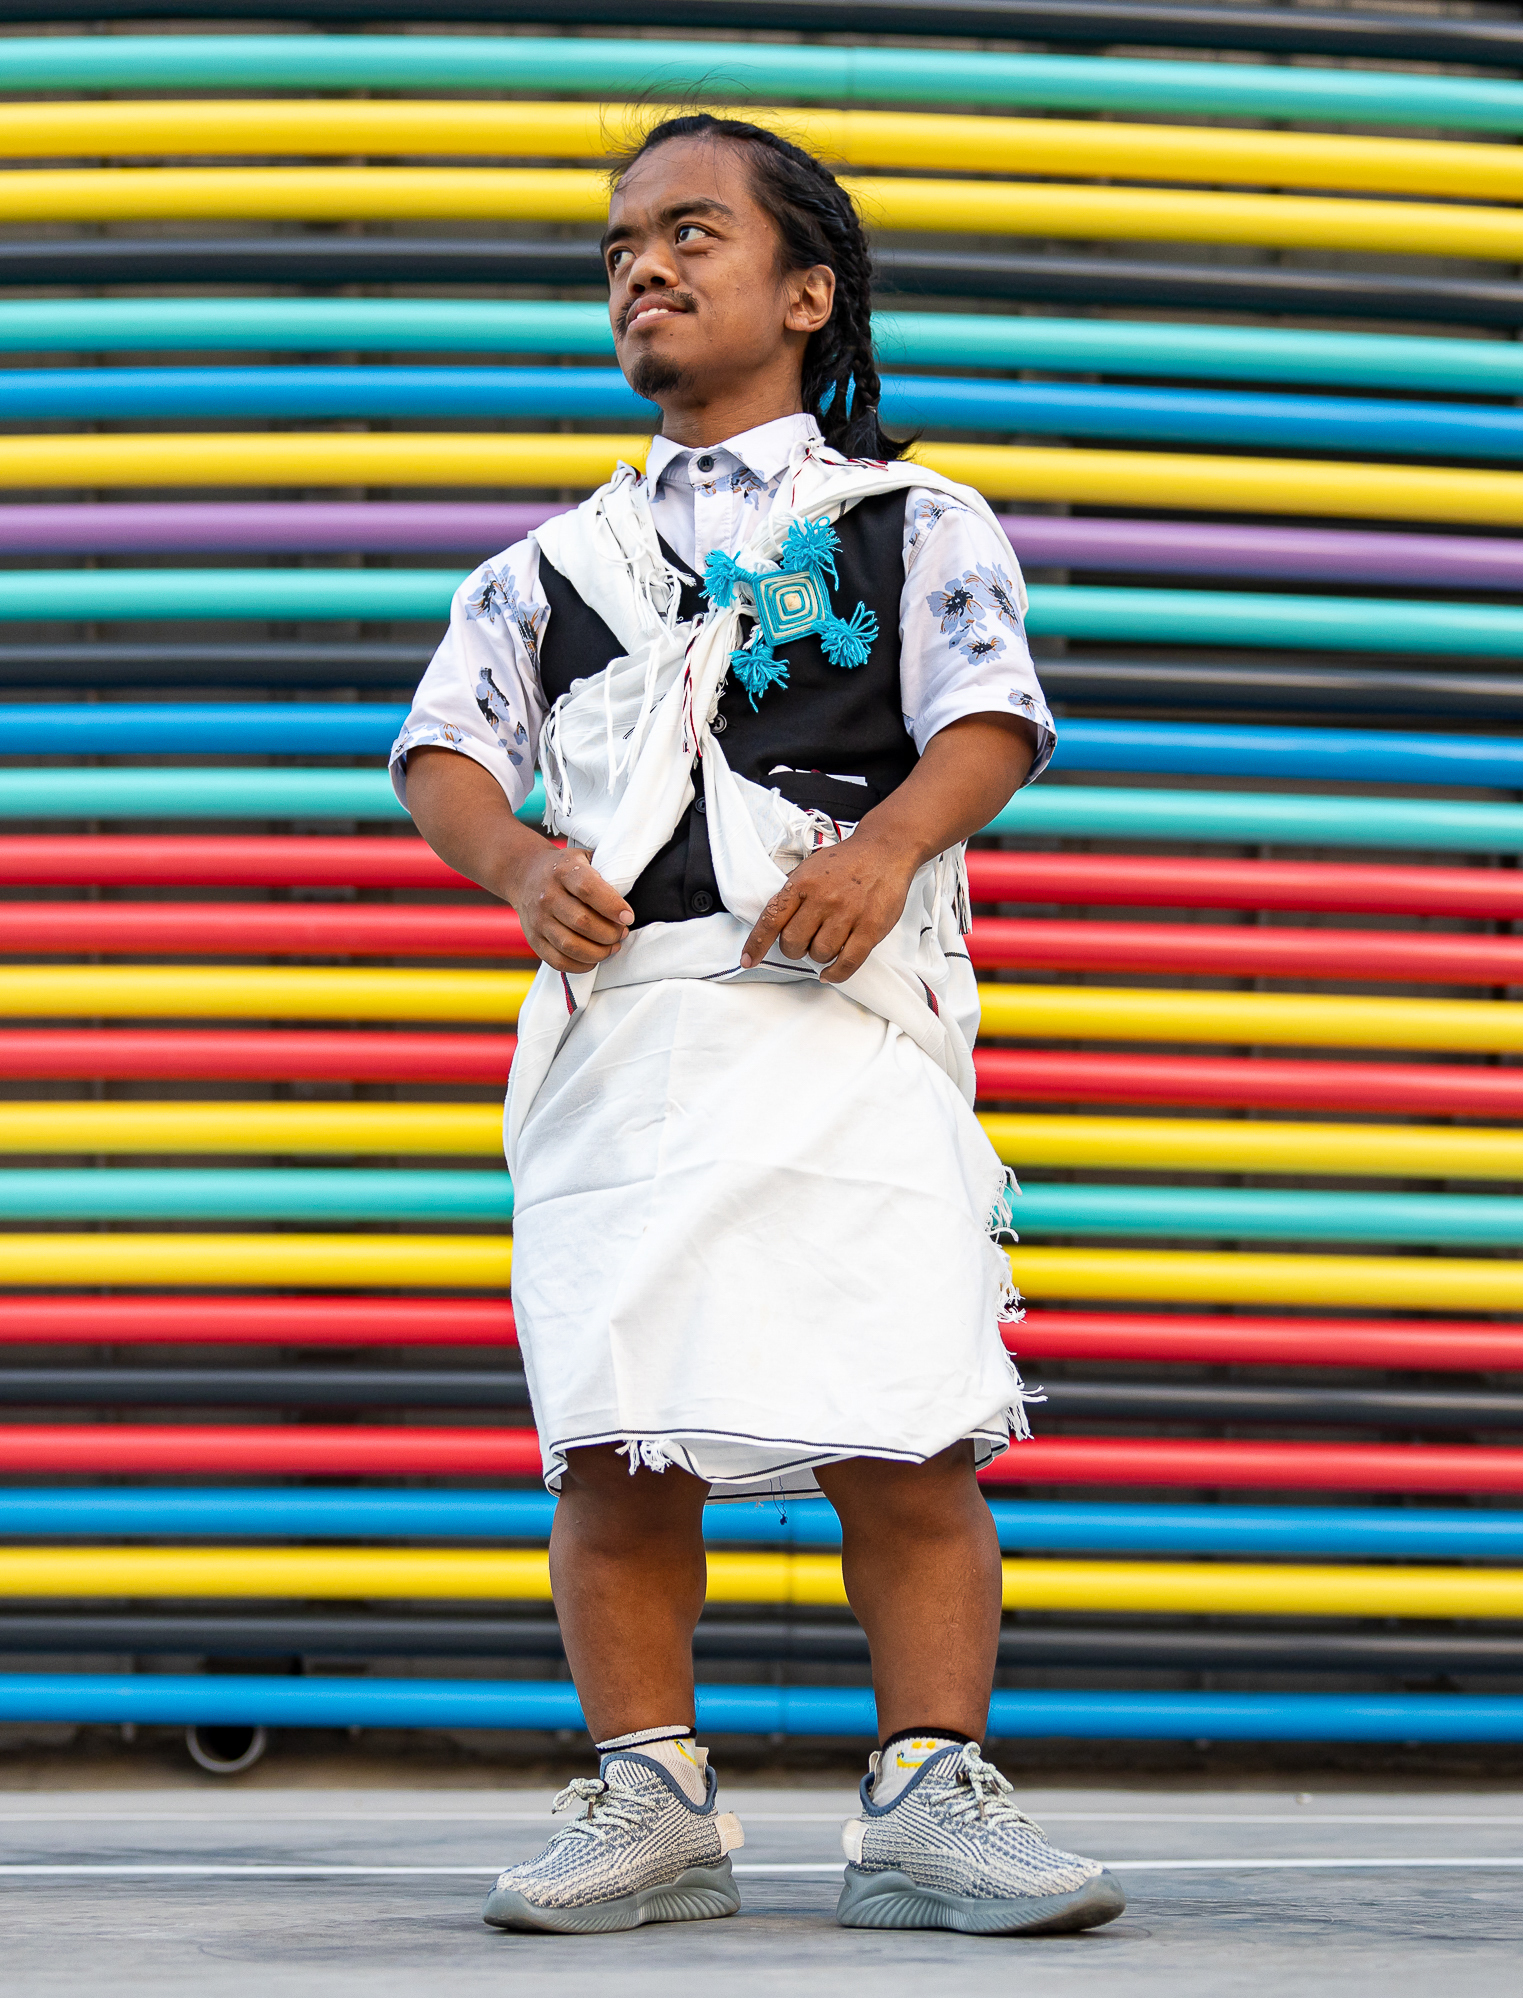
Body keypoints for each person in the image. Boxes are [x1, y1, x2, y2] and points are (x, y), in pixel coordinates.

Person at [391, 113, 1125, 1940]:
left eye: (691, 232)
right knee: (618, 1435)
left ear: (809, 293)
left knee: (906, 1419)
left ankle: (927, 1795)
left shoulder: (913, 522)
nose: (644, 264)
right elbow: (444, 749)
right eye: (621, 244)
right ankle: (651, 1792)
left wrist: (885, 849)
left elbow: (995, 712)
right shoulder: (544, 568)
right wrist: (514, 864)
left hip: (843, 1022)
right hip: (626, 1040)